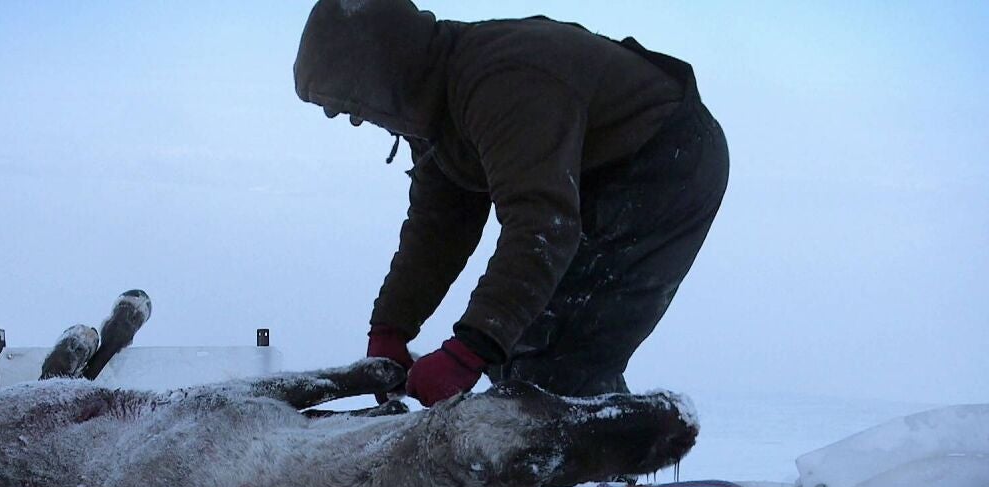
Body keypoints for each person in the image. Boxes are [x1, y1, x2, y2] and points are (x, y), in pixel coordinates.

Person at [294, 0, 729, 405]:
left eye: (348, 101)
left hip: (664, 163)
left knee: (553, 360)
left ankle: (597, 478)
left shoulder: (501, 84)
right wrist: (392, 326)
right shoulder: (435, 110)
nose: (351, 118)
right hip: (594, 172)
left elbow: (542, 224)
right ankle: (571, 473)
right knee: (514, 356)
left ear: (381, 71)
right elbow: (439, 228)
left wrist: (469, 350)